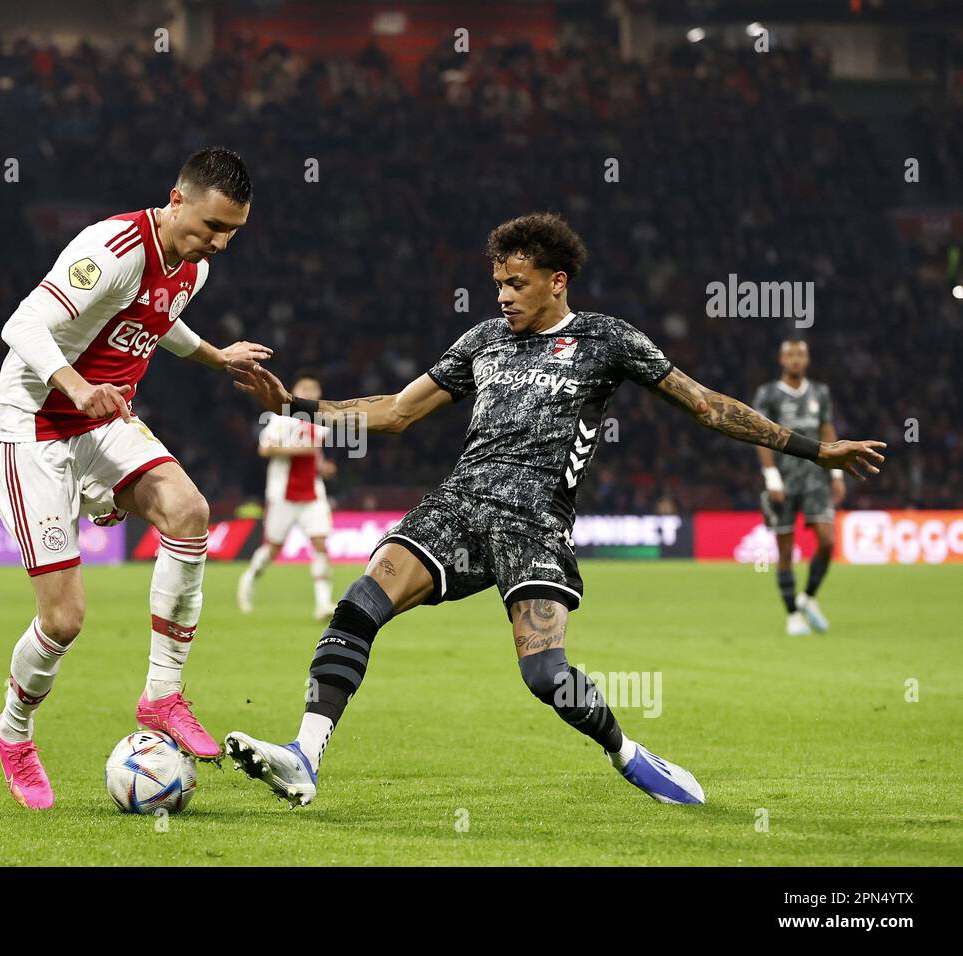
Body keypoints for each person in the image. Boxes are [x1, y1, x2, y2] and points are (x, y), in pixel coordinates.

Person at [225, 213, 885, 808]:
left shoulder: (607, 341)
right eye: (498, 284)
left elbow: (707, 405)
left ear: (556, 280)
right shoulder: (482, 340)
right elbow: (396, 412)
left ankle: (628, 755)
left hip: (533, 519)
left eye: (516, 282)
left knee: (545, 676)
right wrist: (297, 409)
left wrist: (813, 450)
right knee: (358, 605)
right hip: (458, 503)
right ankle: (305, 756)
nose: (503, 295)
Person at [0, 147, 272, 809]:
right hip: (32, 427)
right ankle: (15, 731)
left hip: (102, 419)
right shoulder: (112, 247)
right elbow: (21, 322)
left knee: (189, 512)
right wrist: (76, 384)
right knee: (64, 620)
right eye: (209, 227)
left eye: (231, 232)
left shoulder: (190, 267)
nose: (218, 244)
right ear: (176, 199)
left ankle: (162, 695)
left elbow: (159, 322)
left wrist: (213, 356)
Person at [753, 340, 842, 635]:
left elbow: (827, 430)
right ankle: (792, 614)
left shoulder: (821, 392)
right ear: (781, 359)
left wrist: (838, 475)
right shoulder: (767, 394)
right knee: (786, 550)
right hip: (784, 479)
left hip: (816, 479)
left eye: (801, 354)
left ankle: (808, 597)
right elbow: (759, 435)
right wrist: (771, 477)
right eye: (790, 354)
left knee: (827, 542)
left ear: (807, 359)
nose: (795, 360)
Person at [237, 373, 338, 620]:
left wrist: (322, 468)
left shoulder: (320, 422)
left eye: (313, 393)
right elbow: (264, 449)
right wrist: (297, 450)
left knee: (320, 544)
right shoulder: (281, 420)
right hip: (283, 494)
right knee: (273, 548)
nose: (309, 397)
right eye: (304, 392)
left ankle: (323, 604)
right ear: (294, 394)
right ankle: (248, 581)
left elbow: (315, 456)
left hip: (312, 494)